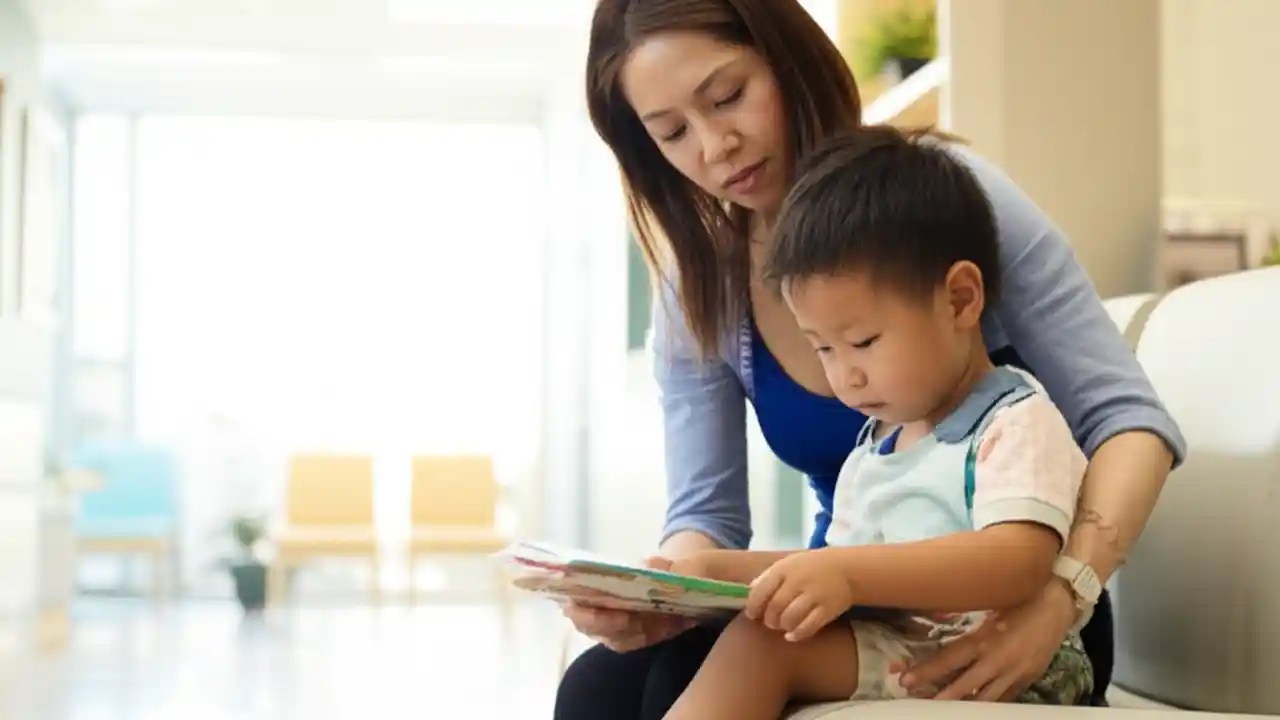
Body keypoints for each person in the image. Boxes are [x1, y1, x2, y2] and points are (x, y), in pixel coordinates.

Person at [557, 0, 1185, 717]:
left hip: (1006, 600)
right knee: (597, 687)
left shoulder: (933, 200)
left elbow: (1128, 421)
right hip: (858, 596)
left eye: (728, 96)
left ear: (786, 58)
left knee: (690, 680)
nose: (715, 145)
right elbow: (706, 514)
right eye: (671, 133)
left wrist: (1058, 599)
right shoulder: (698, 284)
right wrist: (663, 591)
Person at [662, 127, 1093, 719]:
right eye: (823, 350)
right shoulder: (877, 446)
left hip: (1003, 663)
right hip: (907, 642)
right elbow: (835, 567)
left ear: (961, 299)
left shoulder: (1014, 421)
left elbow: (1017, 561)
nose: (846, 378)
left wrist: (843, 573)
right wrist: (708, 574)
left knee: (761, 648)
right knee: (756, 629)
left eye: (862, 341)